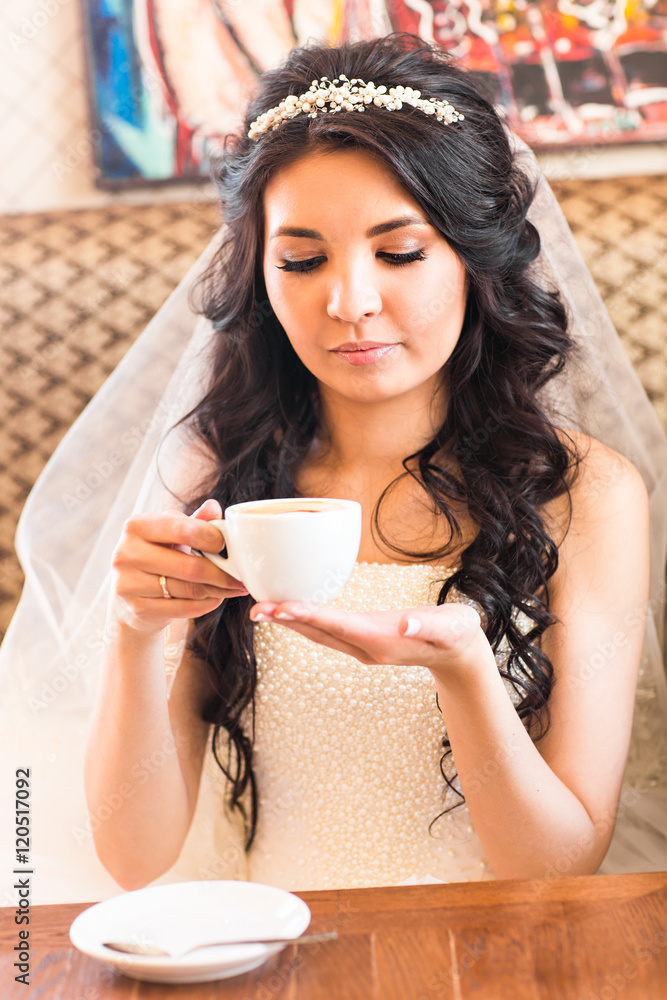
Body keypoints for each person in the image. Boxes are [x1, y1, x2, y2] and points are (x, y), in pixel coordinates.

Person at [2, 33, 667, 903]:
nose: (349, 303)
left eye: (399, 252)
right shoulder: (213, 471)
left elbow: (557, 866)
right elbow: (134, 856)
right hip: (273, 952)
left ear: (474, 258)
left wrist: (464, 670)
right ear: (258, 275)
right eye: (302, 260)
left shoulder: (585, 494)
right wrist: (133, 637)